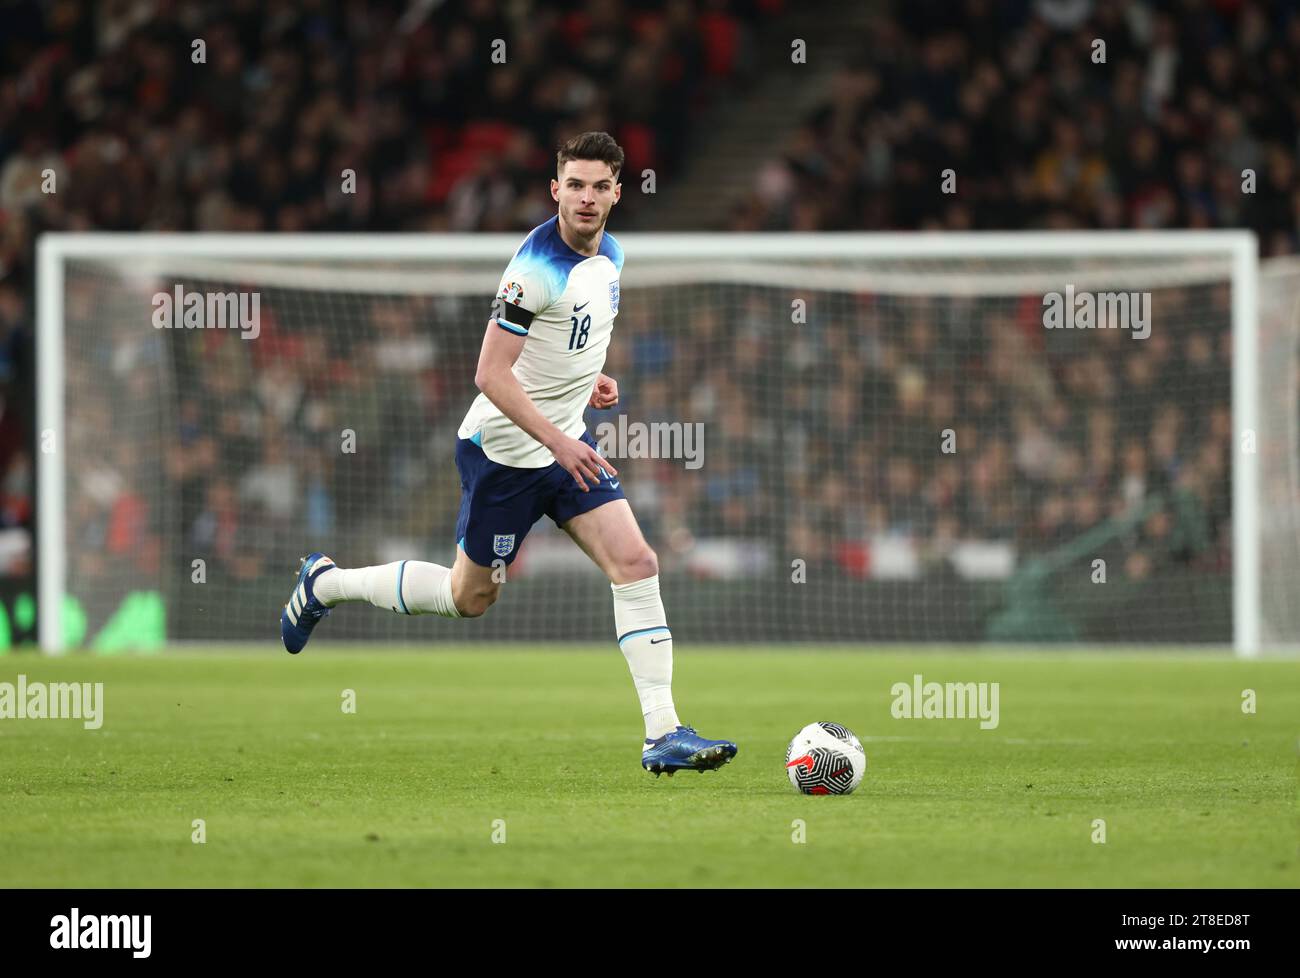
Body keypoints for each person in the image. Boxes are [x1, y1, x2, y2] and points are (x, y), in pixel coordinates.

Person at [281, 132, 737, 777]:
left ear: (616, 192)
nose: (585, 198)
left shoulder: (611, 256)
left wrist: (592, 380)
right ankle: (327, 583)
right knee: (471, 598)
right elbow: (491, 373)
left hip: (565, 446)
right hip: (506, 453)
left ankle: (663, 733)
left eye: (598, 186)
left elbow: (572, 336)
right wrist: (560, 438)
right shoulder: (532, 270)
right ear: (555, 190)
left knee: (636, 562)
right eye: (573, 185)